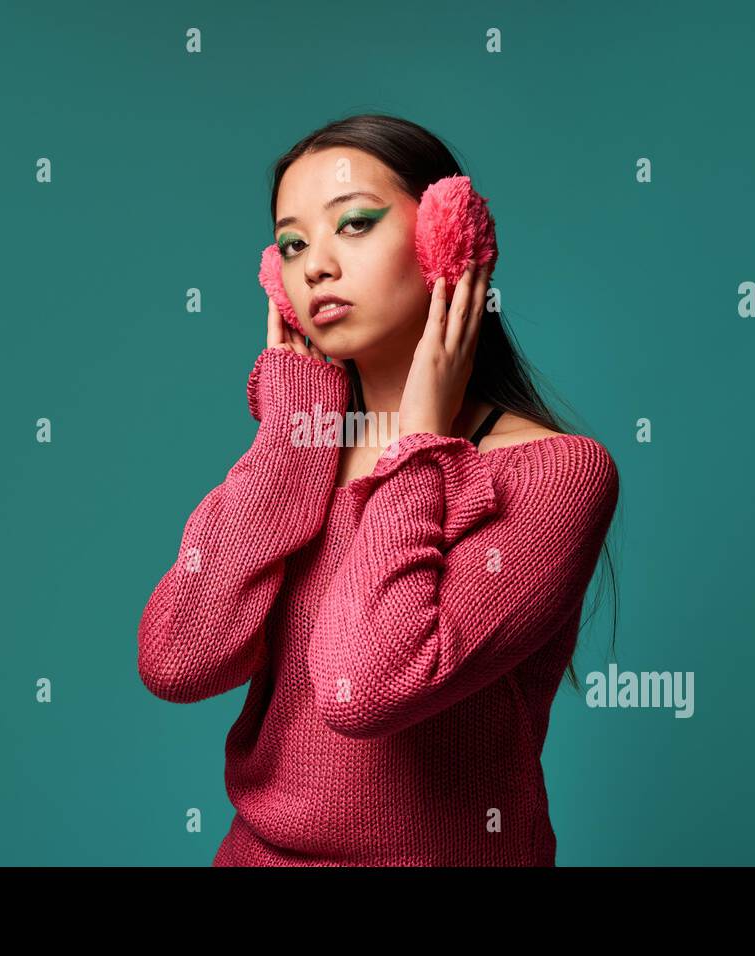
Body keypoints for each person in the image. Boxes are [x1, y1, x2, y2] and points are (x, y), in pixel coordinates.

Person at [138, 114, 620, 866]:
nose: (316, 266)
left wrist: (419, 443)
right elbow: (178, 659)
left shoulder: (556, 474)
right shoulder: (301, 460)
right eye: (292, 245)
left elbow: (361, 686)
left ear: (444, 242)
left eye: (354, 224)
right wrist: (290, 434)